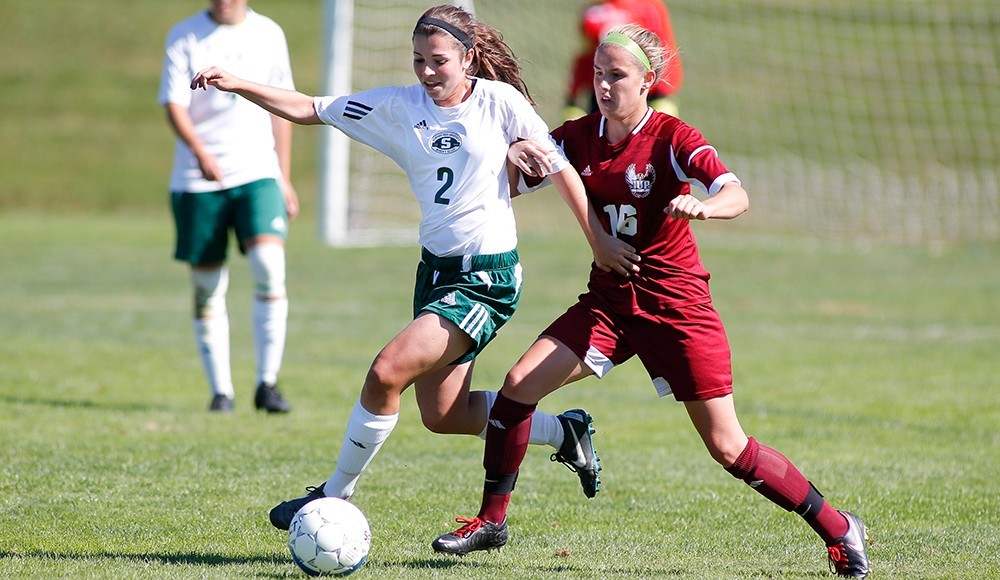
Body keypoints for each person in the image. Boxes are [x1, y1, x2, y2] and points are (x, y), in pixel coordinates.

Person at [432, 24, 871, 579]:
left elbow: (736, 193)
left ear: (649, 82)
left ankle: (837, 526)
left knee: (728, 446)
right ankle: (491, 520)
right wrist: (512, 152)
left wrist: (704, 207)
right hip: (609, 306)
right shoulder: (578, 136)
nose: (604, 85)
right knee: (518, 387)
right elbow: (512, 180)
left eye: (617, 75)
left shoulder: (673, 138)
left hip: (676, 312)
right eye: (597, 74)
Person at [191, 5, 638, 530]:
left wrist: (597, 240)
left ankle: (332, 496)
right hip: (436, 274)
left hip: (486, 278)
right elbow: (310, 107)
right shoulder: (399, 108)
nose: (427, 72)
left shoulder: (500, 103)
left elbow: (559, 169)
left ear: (468, 57)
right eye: (419, 60)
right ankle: (567, 433)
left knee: (386, 372)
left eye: (439, 61)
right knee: (445, 415)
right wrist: (239, 84)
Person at [159, 0, 296, 413]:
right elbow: (172, 103)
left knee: (269, 267)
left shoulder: (269, 32)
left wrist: (283, 176)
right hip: (198, 182)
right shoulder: (184, 35)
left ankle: (267, 384)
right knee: (206, 286)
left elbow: (282, 105)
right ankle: (222, 391)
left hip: (257, 172)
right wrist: (200, 151)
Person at [564, 0, 683, 120]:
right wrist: (575, 91)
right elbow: (588, 54)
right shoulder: (592, 12)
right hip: (604, 92)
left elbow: (661, 48)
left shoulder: (649, 6)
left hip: (645, 92)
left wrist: (662, 92)